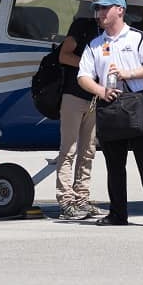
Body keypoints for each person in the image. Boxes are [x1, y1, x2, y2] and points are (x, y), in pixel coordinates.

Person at [78, 0, 143, 227]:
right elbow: (83, 76)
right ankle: (118, 213)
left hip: (135, 101)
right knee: (114, 165)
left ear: (120, 9)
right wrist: (101, 91)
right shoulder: (95, 44)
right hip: (109, 104)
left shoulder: (138, 39)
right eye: (98, 9)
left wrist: (128, 73)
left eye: (105, 8)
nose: (100, 13)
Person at [55, 14, 104, 220]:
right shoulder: (82, 26)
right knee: (69, 149)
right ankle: (66, 199)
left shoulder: (112, 35)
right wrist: (90, 65)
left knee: (88, 150)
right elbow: (64, 55)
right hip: (74, 95)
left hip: (94, 98)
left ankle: (82, 197)